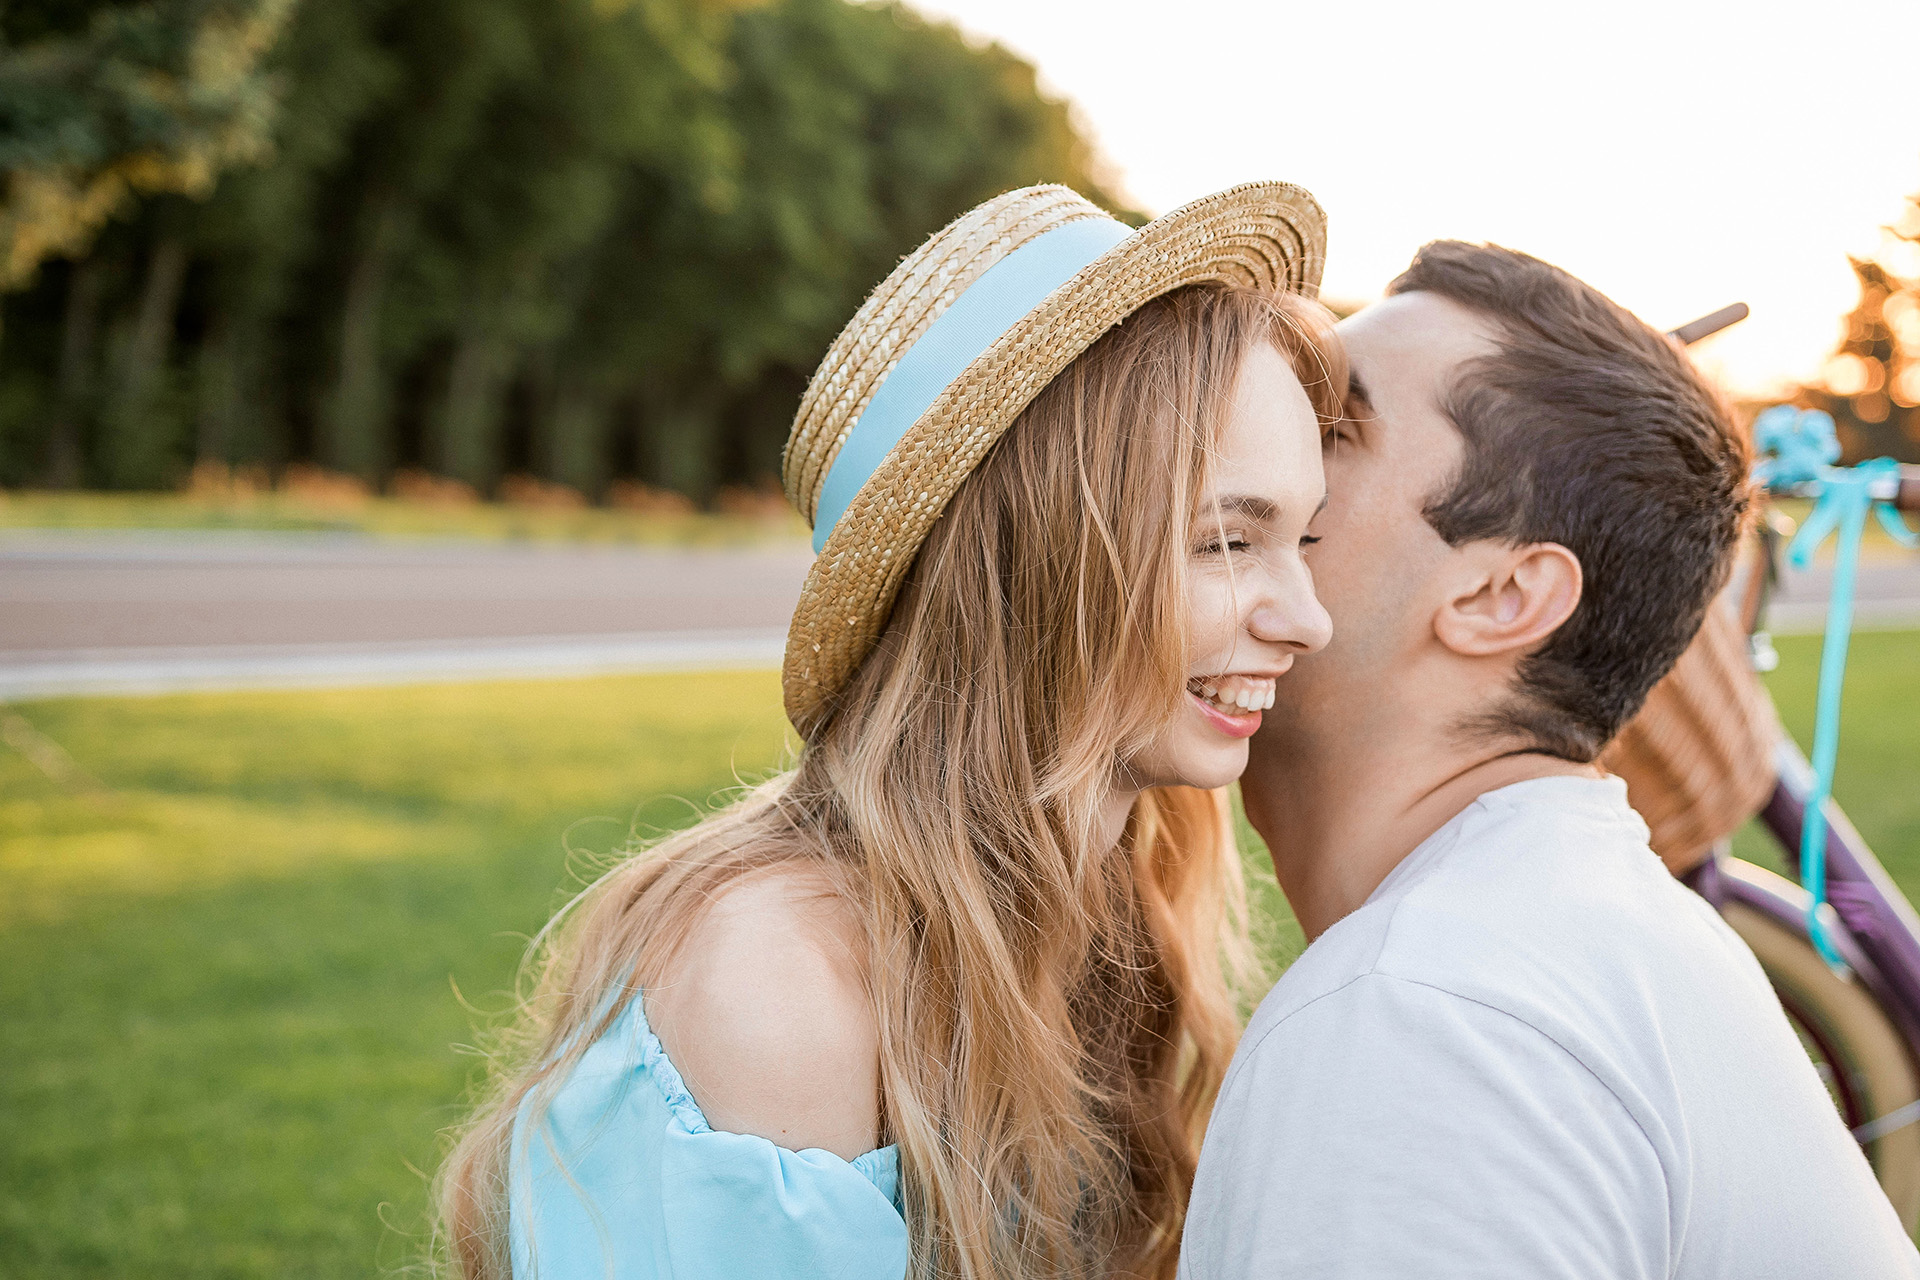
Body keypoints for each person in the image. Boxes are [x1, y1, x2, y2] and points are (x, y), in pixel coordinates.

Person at [436, 181, 1345, 1280]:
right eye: (1227, 543)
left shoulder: (1106, 914)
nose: (1307, 618)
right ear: (1030, 566)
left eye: (1305, 537)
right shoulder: (785, 979)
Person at [1181, 242, 1920, 1277]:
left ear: (1501, 598)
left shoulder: (1426, 1018)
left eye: (1332, 427)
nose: (1259, 451)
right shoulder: (1551, 939)